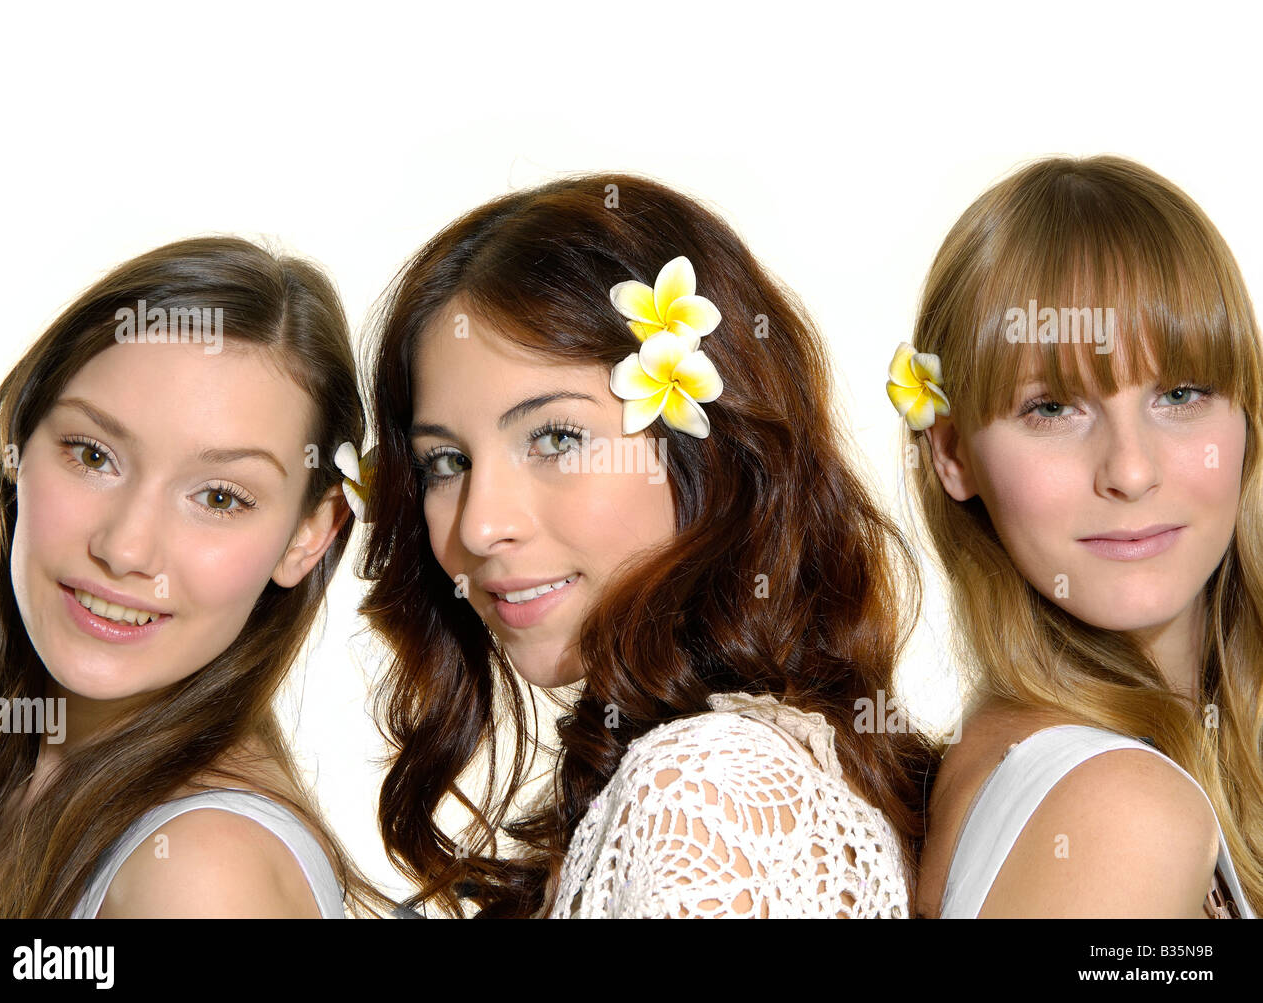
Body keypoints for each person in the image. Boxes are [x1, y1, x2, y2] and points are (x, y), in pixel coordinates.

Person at [355, 173, 937, 917]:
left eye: (556, 436)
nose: (478, 524)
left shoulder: (707, 793)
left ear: (713, 448)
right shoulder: (712, 765)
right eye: (447, 461)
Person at [0, 236, 394, 917]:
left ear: (309, 534)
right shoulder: (19, 775)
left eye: (220, 497)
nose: (126, 547)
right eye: (92, 453)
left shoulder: (201, 871)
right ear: (21, 446)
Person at [896, 155, 1261, 918]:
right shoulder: (1117, 810)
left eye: (1182, 393)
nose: (1129, 471)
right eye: (1053, 408)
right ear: (953, 452)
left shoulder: (1025, 760)